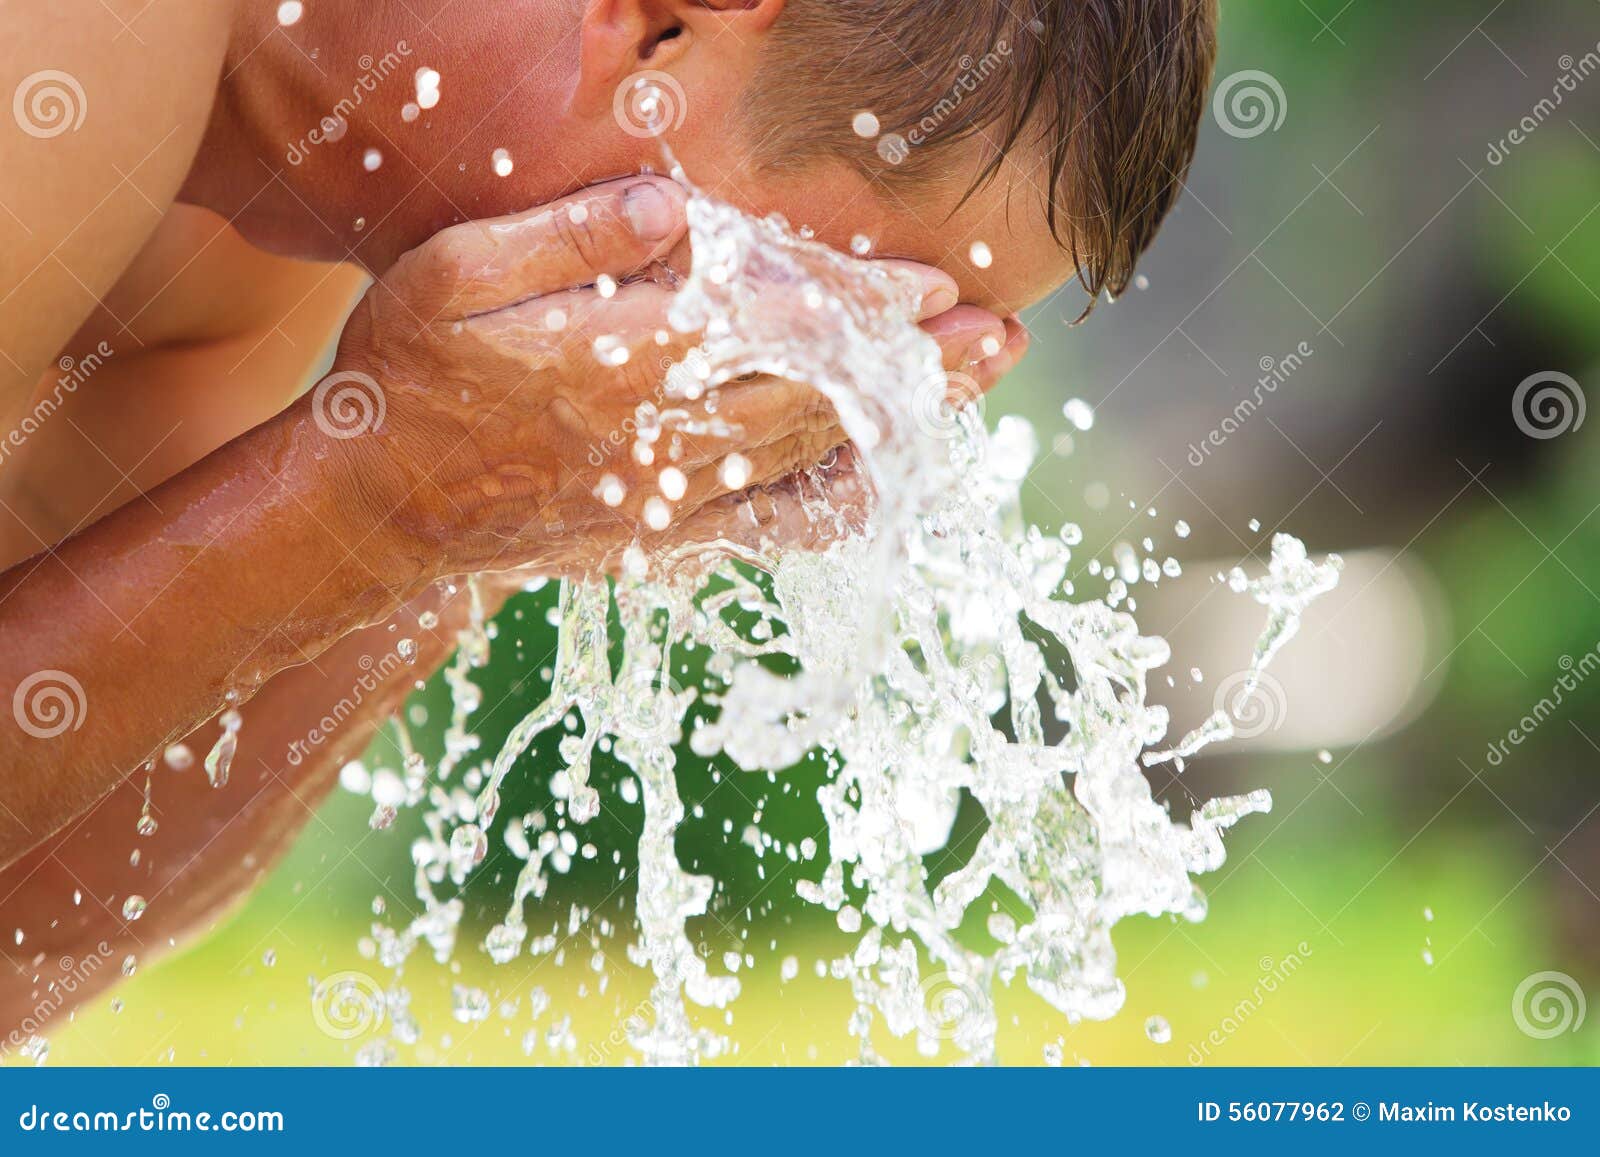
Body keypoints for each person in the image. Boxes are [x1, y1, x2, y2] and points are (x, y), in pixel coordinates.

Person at [0, 0, 1216, 1029]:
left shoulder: (287, 224)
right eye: (795, 308)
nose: (762, 391)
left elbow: (28, 917)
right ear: (655, 23)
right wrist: (370, 504)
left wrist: (471, 520)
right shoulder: (87, 41)